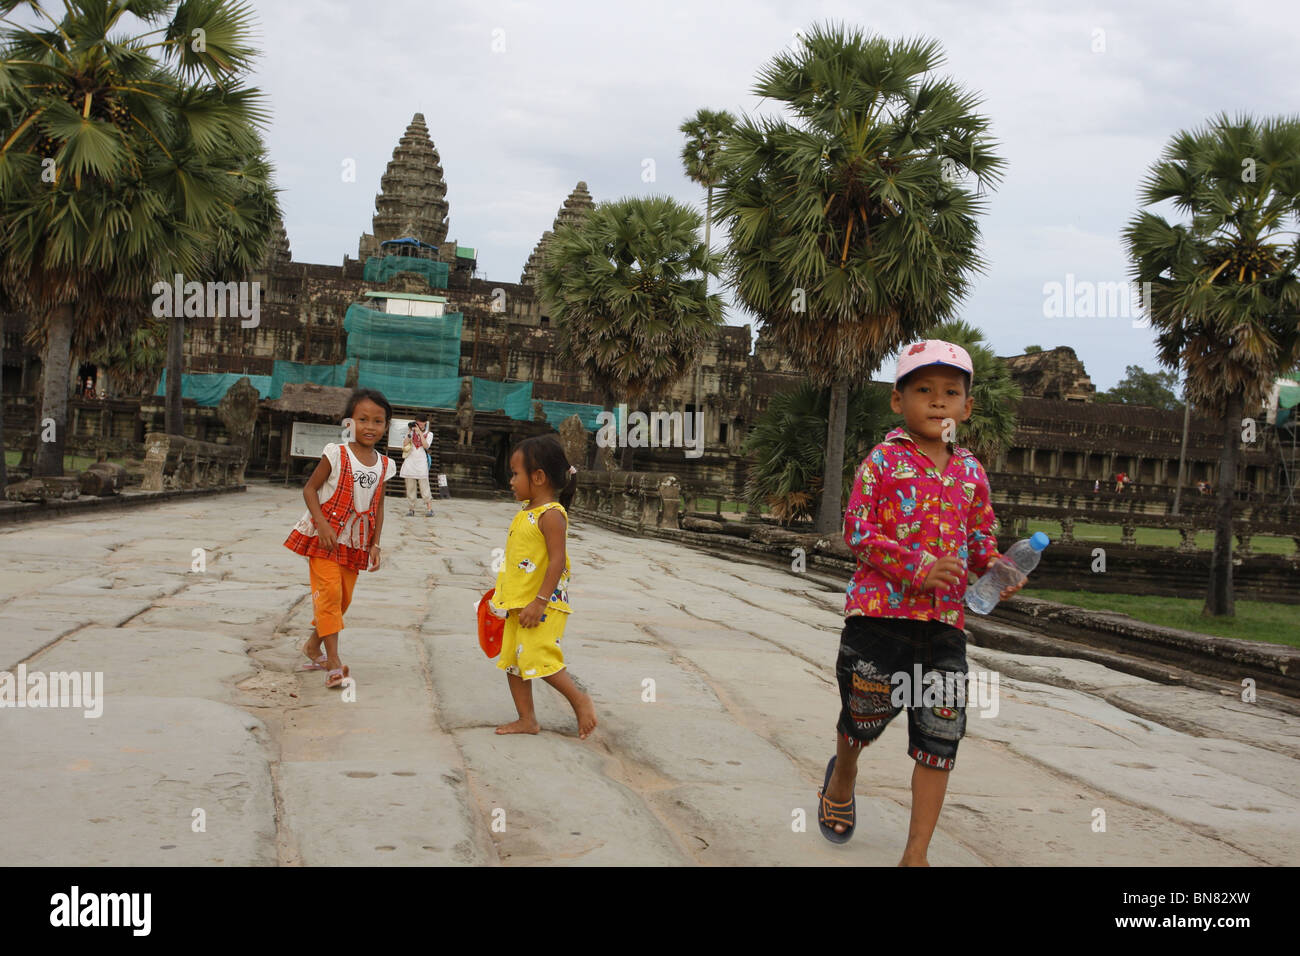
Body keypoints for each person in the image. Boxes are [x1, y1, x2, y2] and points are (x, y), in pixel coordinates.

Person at [816, 340, 1024, 864]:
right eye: (924, 390)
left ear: (966, 407)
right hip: (879, 617)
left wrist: (996, 567)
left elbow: (978, 539)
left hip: (945, 626)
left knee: (941, 733)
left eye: (950, 393)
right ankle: (843, 775)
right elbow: (856, 530)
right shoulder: (883, 460)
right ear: (897, 400)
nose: (937, 402)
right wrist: (918, 567)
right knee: (862, 716)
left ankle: (916, 853)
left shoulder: (972, 472)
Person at [283, 389, 396, 688]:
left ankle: (312, 646)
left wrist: (375, 543)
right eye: (363, 419)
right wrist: (321, 524)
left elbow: (379, 505)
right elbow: (309, 490)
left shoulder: (384, 465)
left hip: (355, 542)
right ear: (350, 422)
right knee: (330, 595)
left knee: (342, 600)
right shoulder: (336, 453)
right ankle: (333, 662)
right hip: (325, 538)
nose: (370, 427)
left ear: (386, 426)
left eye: (377, 421)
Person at [490, 435, 597, 739]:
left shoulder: (551, 515)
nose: (510, 480)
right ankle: (527, 719)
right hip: (518, 603)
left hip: (543, 605)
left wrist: (539, 602)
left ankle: (580, 700)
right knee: (513, 663)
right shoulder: (526, 511)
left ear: (538, 477)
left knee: (539, 658)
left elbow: (557, 562)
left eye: (515, 473)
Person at [400, 415, 434, 517]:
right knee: (410, 487)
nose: (420, 424)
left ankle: (429, 509)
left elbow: (426, 446)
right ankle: (411, 509)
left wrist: (419, 433)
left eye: (422, 423)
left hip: (421, 462)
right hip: (410, 461)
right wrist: (410, 432)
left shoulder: (429, 434)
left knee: (424, 486)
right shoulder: (411, 432)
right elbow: (405, 444)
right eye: (418, 422)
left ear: (425, 423)